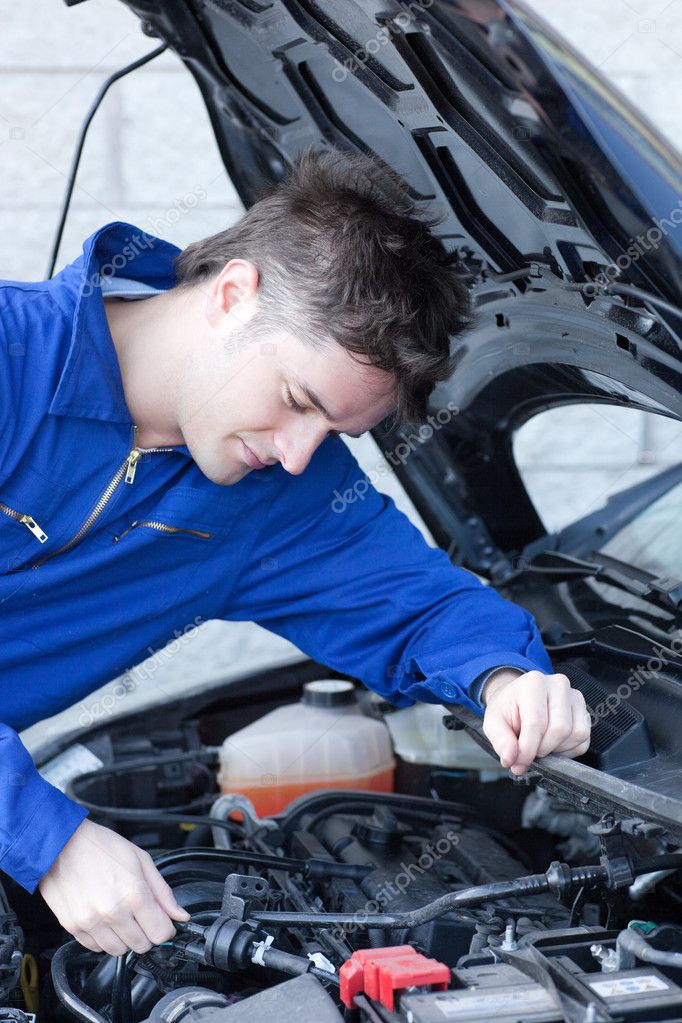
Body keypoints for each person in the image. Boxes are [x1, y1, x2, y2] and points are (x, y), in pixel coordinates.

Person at [0, 148, 590, 957]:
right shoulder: (9, 359)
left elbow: (419, 605)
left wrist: (505, 676)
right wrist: (49, 839)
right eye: (296, 400)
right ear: (234, 294)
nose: (300, 453)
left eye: (336, 432)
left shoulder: (276, 500)